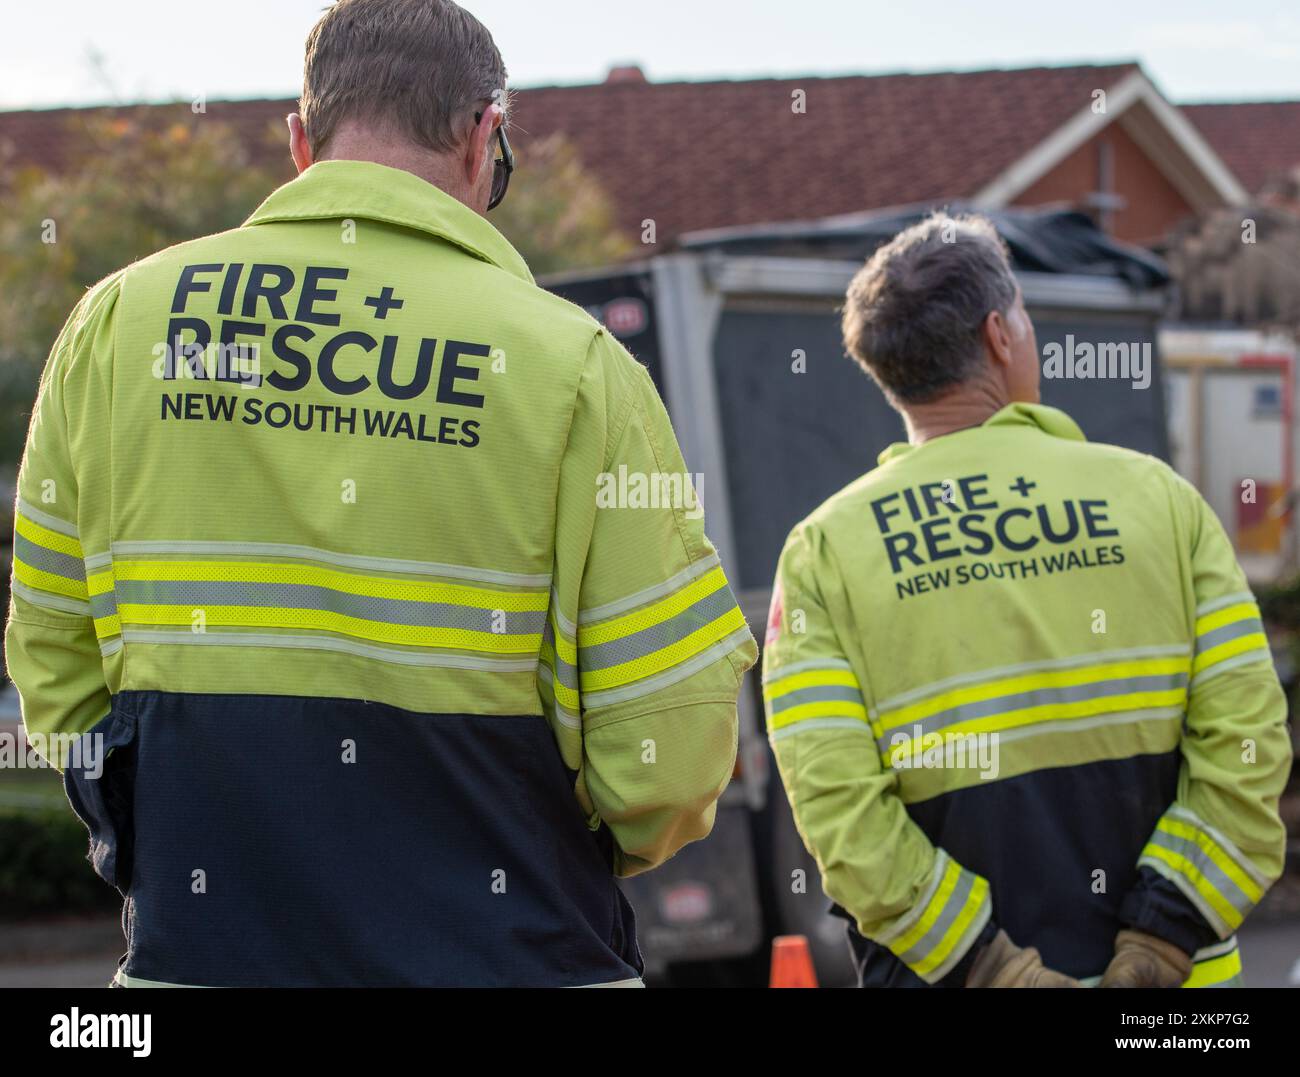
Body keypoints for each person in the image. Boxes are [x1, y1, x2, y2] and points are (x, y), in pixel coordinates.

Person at [7, 0, 755, 987]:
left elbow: (53, 659)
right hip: (518, 951)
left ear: (299, 140)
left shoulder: (117, 325)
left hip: (202, 956)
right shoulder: (574, 367)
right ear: (485, 133)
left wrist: (155, 825)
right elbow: (666, 741)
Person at [761, 211, 1291, 988]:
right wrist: (1156, 947)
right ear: (1000, 336)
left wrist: (994, 969)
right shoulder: (1160, 502)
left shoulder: (823, 552)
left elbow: (842, 818)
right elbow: (1249, 747)